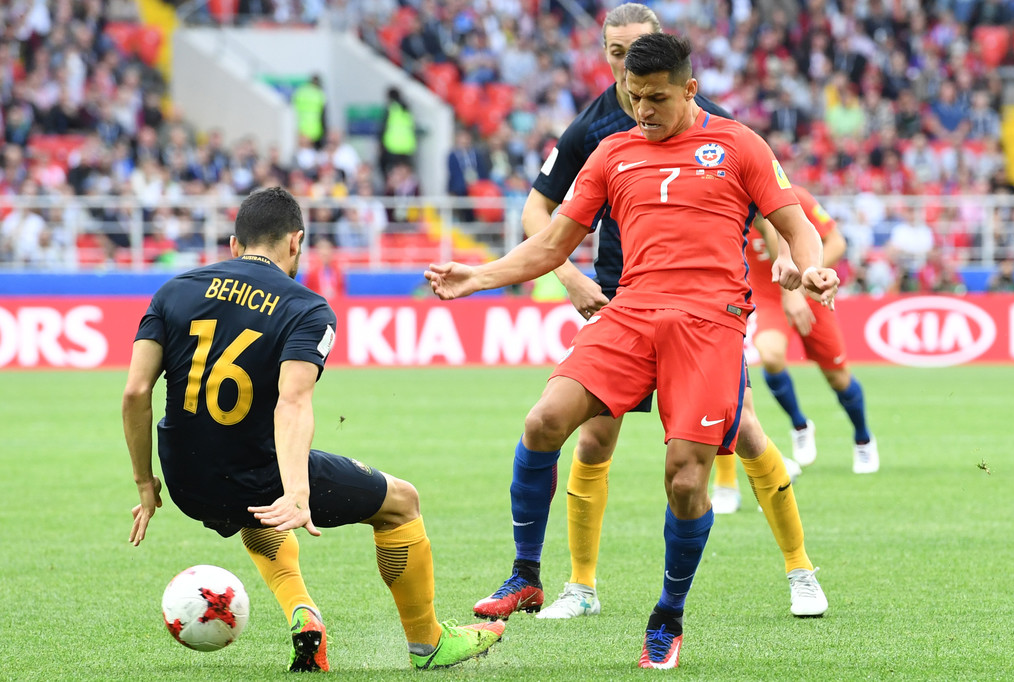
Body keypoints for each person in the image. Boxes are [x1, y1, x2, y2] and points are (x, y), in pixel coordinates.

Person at [425, 33, 839, 669]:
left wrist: (810, 269)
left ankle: (668, 616)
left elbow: (797, 225)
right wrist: (478, 277)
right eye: (633, 96)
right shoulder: (611, 151)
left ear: (689, 90)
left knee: (685, 478)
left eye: (657, 99)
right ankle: (527, 575)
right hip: (630, 311)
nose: (642, 110)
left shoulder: (738, 143)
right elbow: (551, 243)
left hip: (710, 323)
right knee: (544, 422)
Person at [122, 187, 504, 672]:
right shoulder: (306, 307)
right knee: (401, 503)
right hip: (257, 476)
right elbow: (293, 401)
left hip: (185, 484)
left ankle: (304, 616)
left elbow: (136, 392)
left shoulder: (173, 291)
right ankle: (429, 644)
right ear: (296, 242)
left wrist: (144, 482)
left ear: (234, 245)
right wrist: (298, 493)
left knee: (257, 516)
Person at [715, 186, 879, 509]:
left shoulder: (797, 199)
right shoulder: (735, 205)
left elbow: (837, 242)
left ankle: (863, 438)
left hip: (811, 291)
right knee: (771, 356)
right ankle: (800, 425)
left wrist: (809, 277)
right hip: (767, 297)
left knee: (838, 377)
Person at [292, 74, 328, 150]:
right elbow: (323, 114)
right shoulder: (319, 94)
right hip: (315, 129)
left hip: (302, 127)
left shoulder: (300, 92)